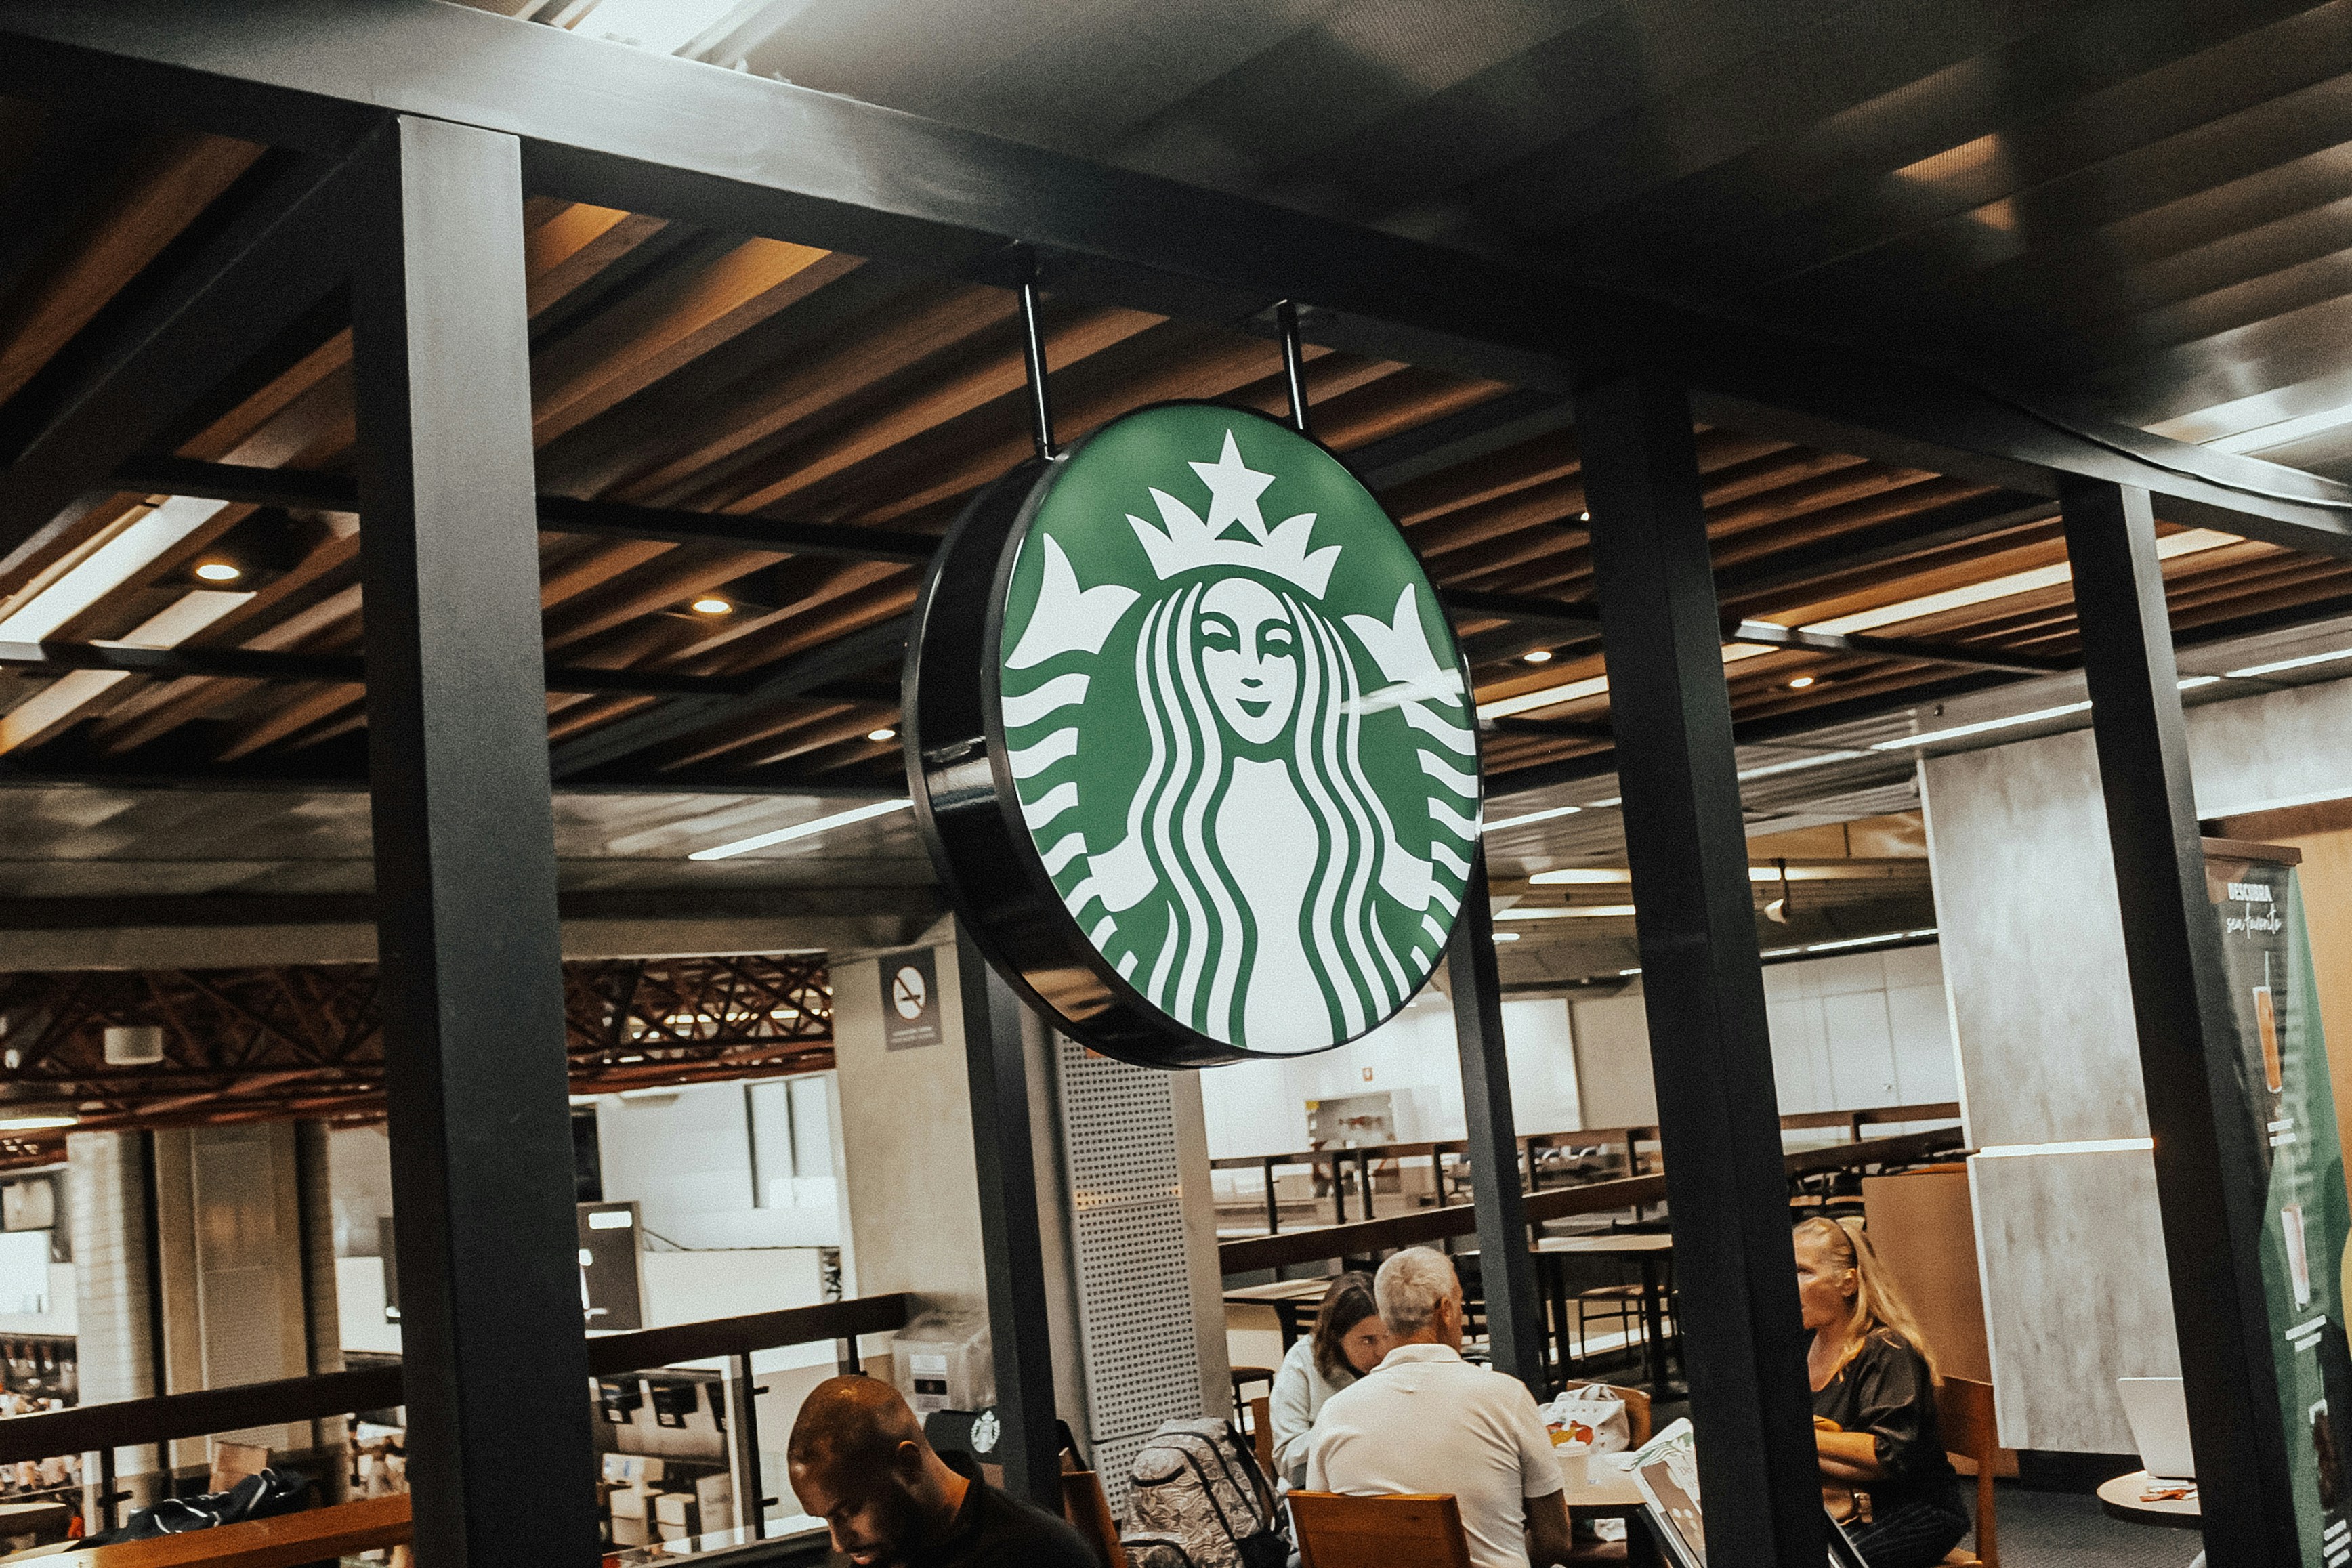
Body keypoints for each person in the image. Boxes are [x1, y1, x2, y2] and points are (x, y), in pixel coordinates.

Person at [1305, 1248, 1572, 1568]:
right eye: (1459, 1304)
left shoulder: (1335, 1412)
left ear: (1386, 1318)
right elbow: (1555, 1540)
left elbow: (1322, 1540)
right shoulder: (1505, 1396)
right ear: (1446, 1310)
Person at [1795, 1216, 1970, 1568]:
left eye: (1803, 1272)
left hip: (1915, 1509)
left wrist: (1792, 1434)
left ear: (1847, 1284)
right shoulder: (1800, 1345)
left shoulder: (1888, 1349)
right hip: (1843, 1503)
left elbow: (1888, 1454)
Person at [785, 1375, 1095, 1568]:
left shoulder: (1036, 1554)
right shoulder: (876, 1551)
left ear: (907, 1466)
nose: (839, 1543)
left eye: (850, 1511)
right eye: (826, 1519)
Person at [1269, 1271, 1391, 1489]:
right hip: (1316, 1497)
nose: (1381, 1351)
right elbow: (1286, 1461)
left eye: (1386, 1337)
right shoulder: (1302, 1361)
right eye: (1367, 1341)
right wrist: (1337, 1427)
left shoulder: (1395, 1360)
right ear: (1336, 1337)